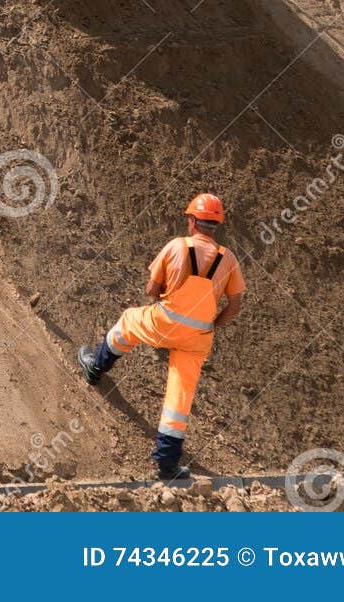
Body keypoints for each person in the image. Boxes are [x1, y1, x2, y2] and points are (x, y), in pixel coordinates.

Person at [77, 193, 245, 483]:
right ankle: (167, 464)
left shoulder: (177, 246)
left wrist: (164, 295)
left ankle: (96, 366)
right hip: (198, 338)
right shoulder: (228, 258)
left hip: (163, 323)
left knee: (129, 321)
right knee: (179, 396)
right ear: (216, 225)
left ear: (193, 221)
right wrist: (211, 325)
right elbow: (235, 306)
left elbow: (151, 290)